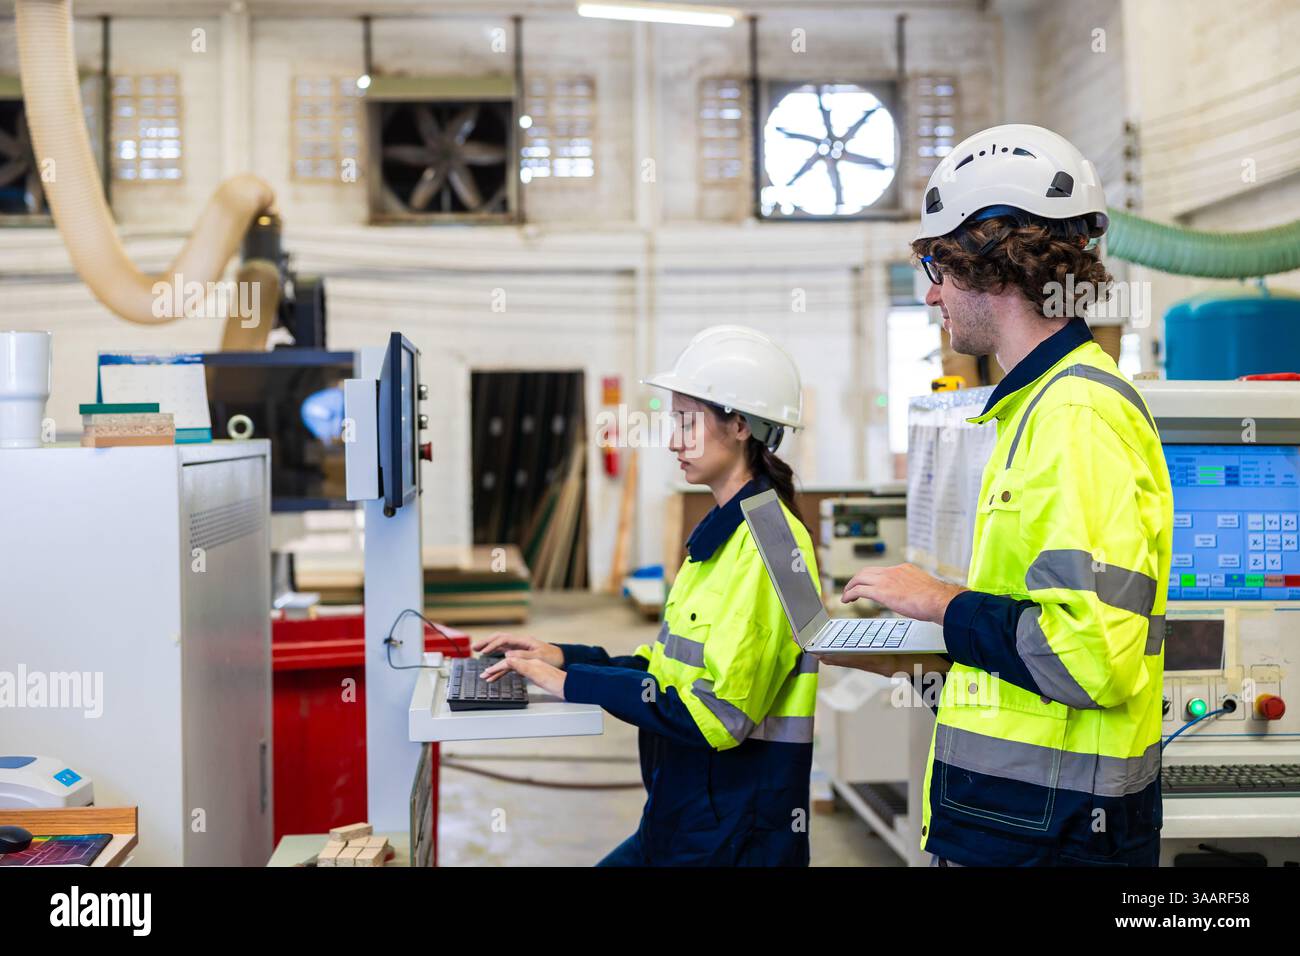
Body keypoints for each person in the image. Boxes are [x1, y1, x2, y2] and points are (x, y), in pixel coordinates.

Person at [826, 125, 1173, 867]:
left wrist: (940, 605)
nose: (929, 292)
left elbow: (1085, 659)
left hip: (1054, 832)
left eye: (935, 265)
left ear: (993, 260)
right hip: (1028, 818)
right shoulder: (1035, 407)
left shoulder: (1074, 415)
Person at [476, 325, 819, 866]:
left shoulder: (768, 545)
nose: (673, 440)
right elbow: (664, 672)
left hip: (732, 835)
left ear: (740, 425)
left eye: (688, 422)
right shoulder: (726, 532)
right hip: (687, 814)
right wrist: (565, 657)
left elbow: (718, 717)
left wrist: (572, 685)